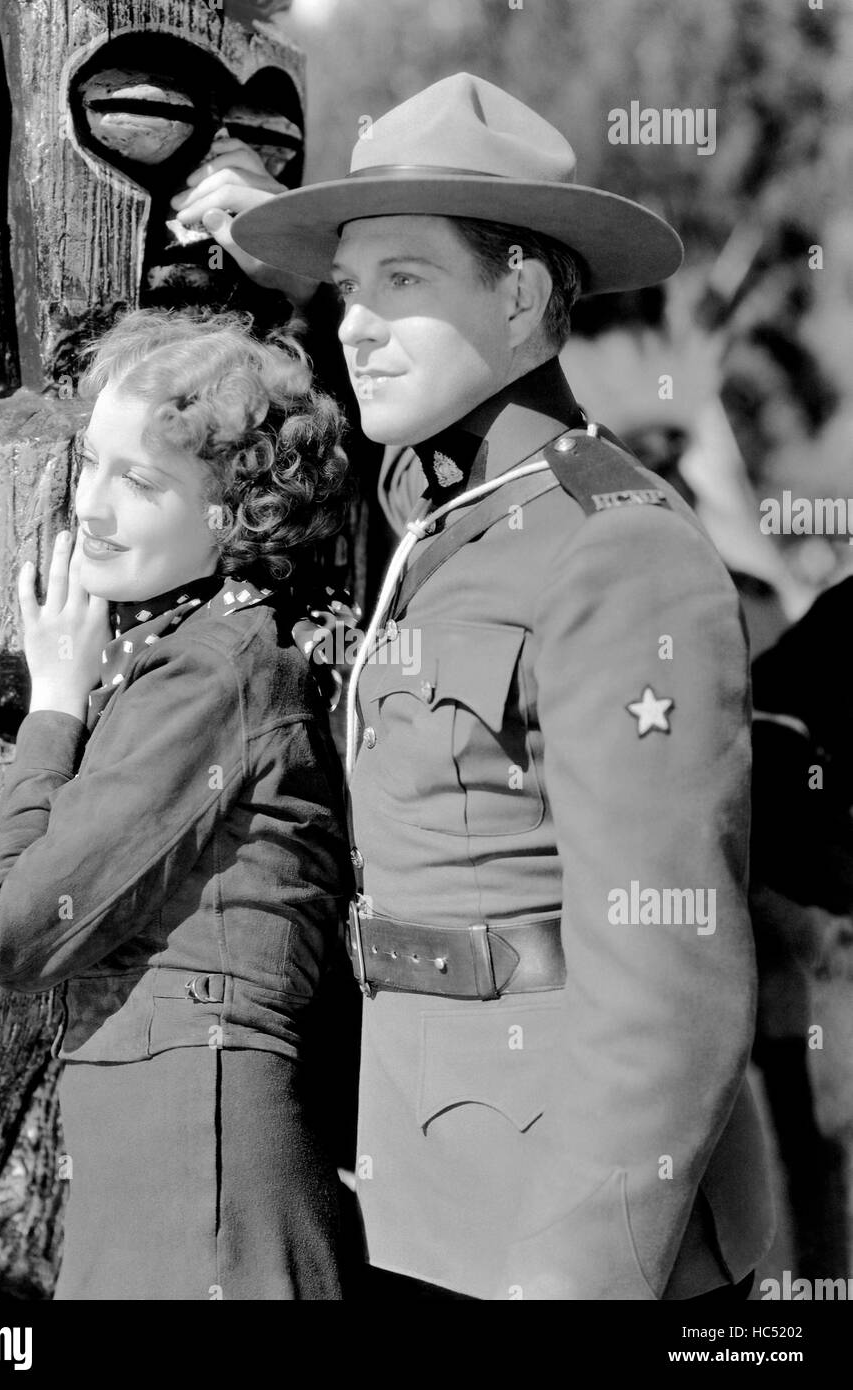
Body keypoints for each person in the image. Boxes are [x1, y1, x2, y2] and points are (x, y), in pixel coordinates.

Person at [229, 72, 777, 1299]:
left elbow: (668, 979)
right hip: (422, 1194)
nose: (355, 325)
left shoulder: (613, 541)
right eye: (348, 288)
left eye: (403, 282)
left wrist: (574, 1274)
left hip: (566, 1228)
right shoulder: (431, 520)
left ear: (522, 289)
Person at [0, 309, 353, 1300]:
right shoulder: (177, 661)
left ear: (239, 513)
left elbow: (16, 930)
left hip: (201, 1166)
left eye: (140, 482)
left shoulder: (210, 676)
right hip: (167, 1152)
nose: (91, 506)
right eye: (89, 463)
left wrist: (52, 706)